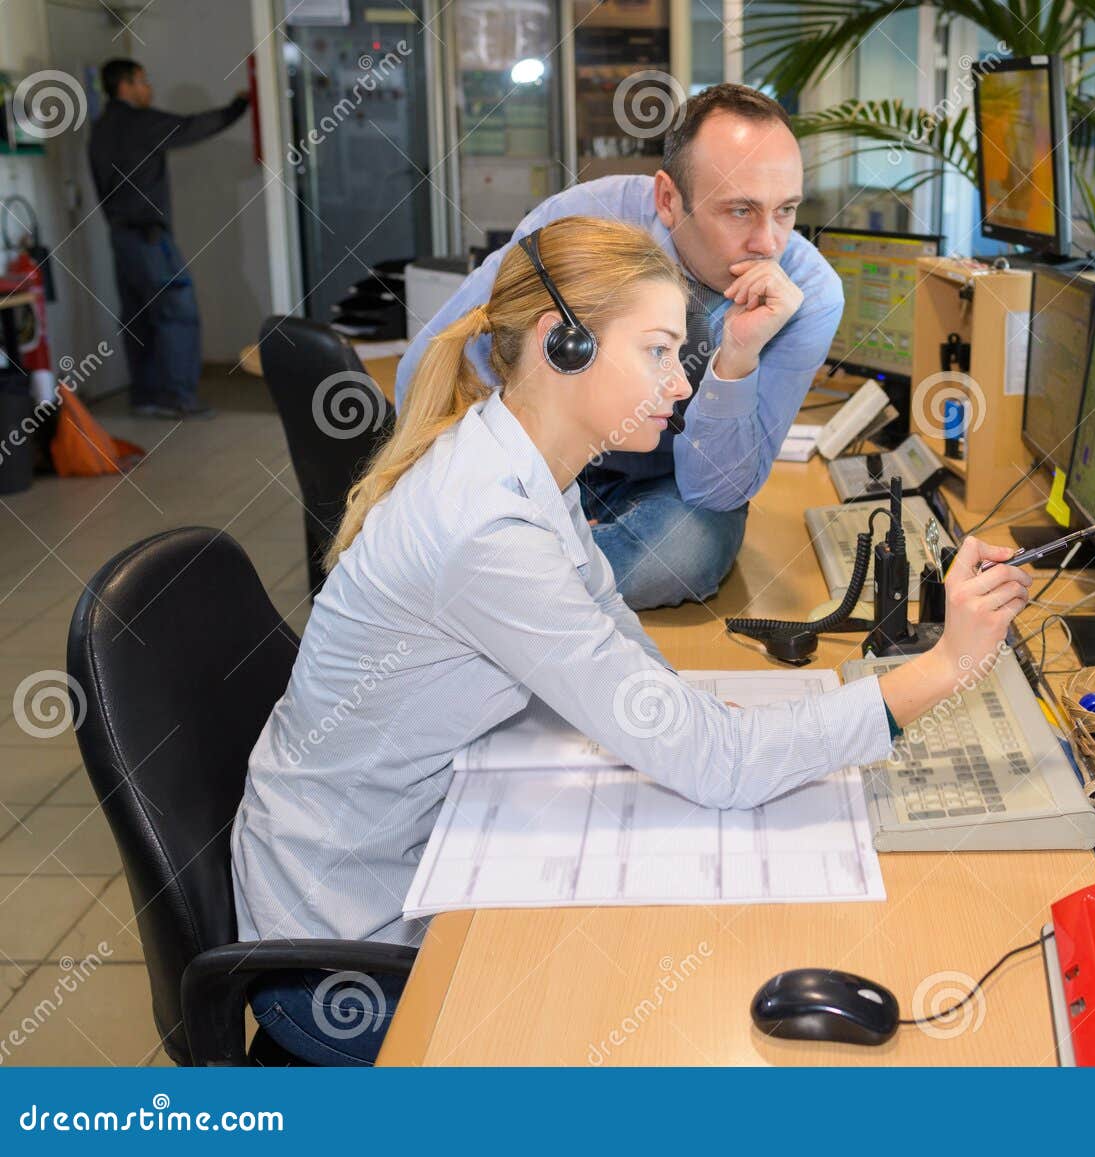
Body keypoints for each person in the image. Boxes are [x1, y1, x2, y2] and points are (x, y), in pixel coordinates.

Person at [230, 217, 1031, 1065]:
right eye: (656, 351)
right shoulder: (488, 528)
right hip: (345, 952)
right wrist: (944, 668)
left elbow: (626, 646)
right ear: (561, 345)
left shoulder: (533, 465)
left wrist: (709, 725)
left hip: (400, 862)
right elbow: (712, 763)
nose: (680, 385)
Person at [396, 83, 838, 610]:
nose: (769, 243)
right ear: (669, 200)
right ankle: (509, 582)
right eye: (740, 211)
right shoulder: (583, 222)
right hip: (548, 457)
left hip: (670, 483)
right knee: (478, 512)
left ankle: (502, 588)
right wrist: (528, 490)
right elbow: (436, 365)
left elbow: (716, 492)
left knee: (683, 554)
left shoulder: (806, 295)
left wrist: (736, 359)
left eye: (786, 210)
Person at [88, 59, 250, 420]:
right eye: (144, 82)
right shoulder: (141, 123)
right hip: (149, 238)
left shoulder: (100, 129)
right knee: (177, 313)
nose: (150, 90)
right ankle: (179, 398)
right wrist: (239, 106)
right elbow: (192, 128)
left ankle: (146, 396)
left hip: (121, 237)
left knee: (139, 317)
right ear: (126, 86)